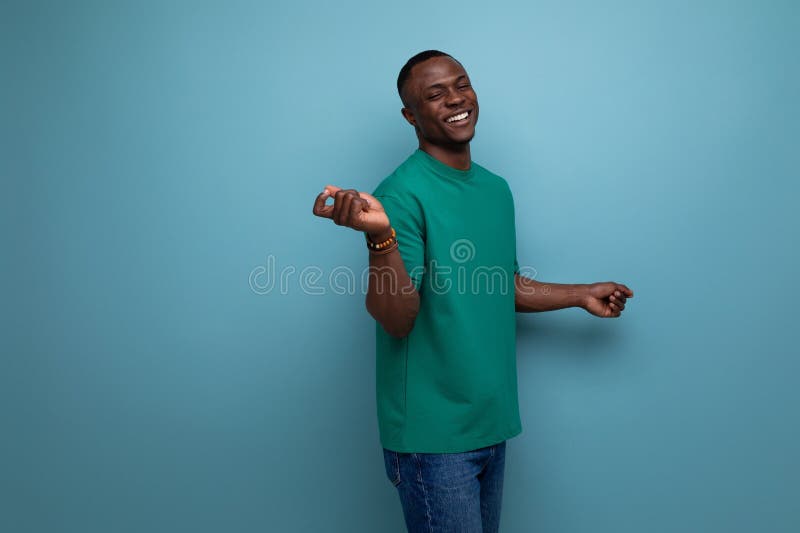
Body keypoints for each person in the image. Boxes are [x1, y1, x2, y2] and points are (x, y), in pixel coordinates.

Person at [312, 50, 633, 533]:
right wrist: (380, 238)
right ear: (411, 116)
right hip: (432, 438)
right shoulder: (400, 194)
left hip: (490, 422)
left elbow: (497, 286)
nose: (455, 100)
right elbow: (395, 317)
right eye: (434, 95)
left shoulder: (495, 189)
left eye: (461, 85)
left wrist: (580, 294)